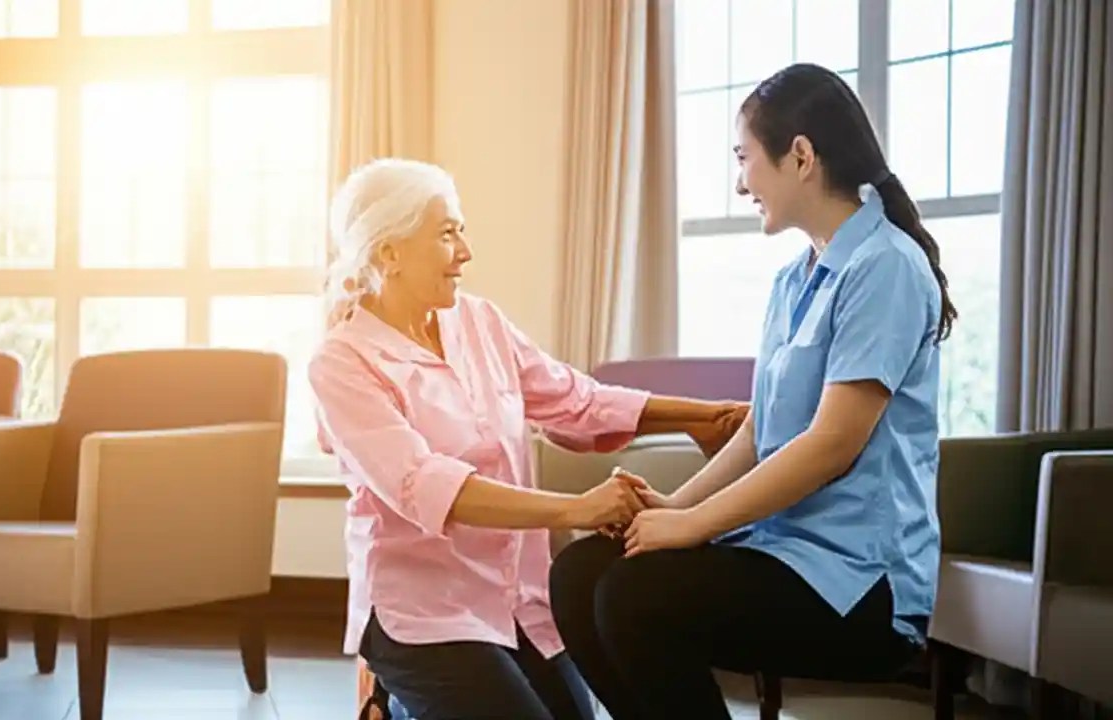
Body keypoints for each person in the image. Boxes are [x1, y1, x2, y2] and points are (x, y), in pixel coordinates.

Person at [548, 62, 952, 719]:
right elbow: (761, 432)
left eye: (744, 159)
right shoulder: (794, 280)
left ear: (801, 156)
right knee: (579, 573)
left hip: (859, 582)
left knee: (634, 596)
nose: (741, 183)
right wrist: (672, 506)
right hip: (780, 551)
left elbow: (831, 445)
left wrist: (692, 526)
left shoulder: (887, 267)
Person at [309, 157, 749, 720]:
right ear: (389, 252)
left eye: (461, 231)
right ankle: (392, 702)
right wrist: (578, 509)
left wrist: (706, 416)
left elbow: (577, 401)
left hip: (517, 600)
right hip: (422, 617)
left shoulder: (479, 322)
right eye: (447, 234)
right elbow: (427, 486)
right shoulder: (341, 363)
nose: (465, 252)